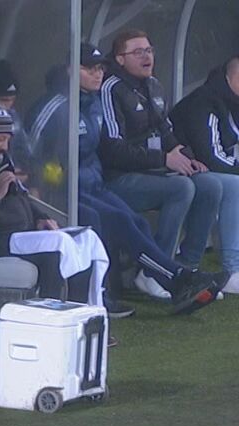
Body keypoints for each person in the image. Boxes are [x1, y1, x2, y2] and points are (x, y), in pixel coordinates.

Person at [31, 44, 223, 316]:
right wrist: (43, 184)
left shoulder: (92, 103)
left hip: (91, 186)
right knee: (115, 221)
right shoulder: (55, 105)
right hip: (61, 194)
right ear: (71, 70)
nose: (97, 74)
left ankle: (173, 281)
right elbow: (29, 149)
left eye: (100, 68)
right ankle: (175, 279)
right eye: (89, 69)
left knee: (136, 221)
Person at [100, 29, 235, 293]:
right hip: (118, 178)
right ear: (119, 59)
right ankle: (155, 273)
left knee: (209, 184)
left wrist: (185, 156)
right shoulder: (111, 88)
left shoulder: (153, 85)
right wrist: (164, 158)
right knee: (181, 188)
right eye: (137, 52)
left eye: (149, 50)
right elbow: (111, 149)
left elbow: (164, 129)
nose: (146, 56)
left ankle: (187, 268)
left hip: (153, 172)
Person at [0, 106, 108, 305]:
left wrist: (40, 217)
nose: (5, 147)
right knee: (54, 250)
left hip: (21, 235)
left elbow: (21, 195)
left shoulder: (1, 160)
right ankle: (49, 323)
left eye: (7, 140)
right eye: (0, 139)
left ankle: (85, 315)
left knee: (85, 240)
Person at [170, 56, 239, 294]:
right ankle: (232, 268)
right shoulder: (205, 101)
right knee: (233, 185)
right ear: (231, 77)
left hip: (201, 170)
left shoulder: (231, 101)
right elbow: (211, 156)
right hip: (184, 169)